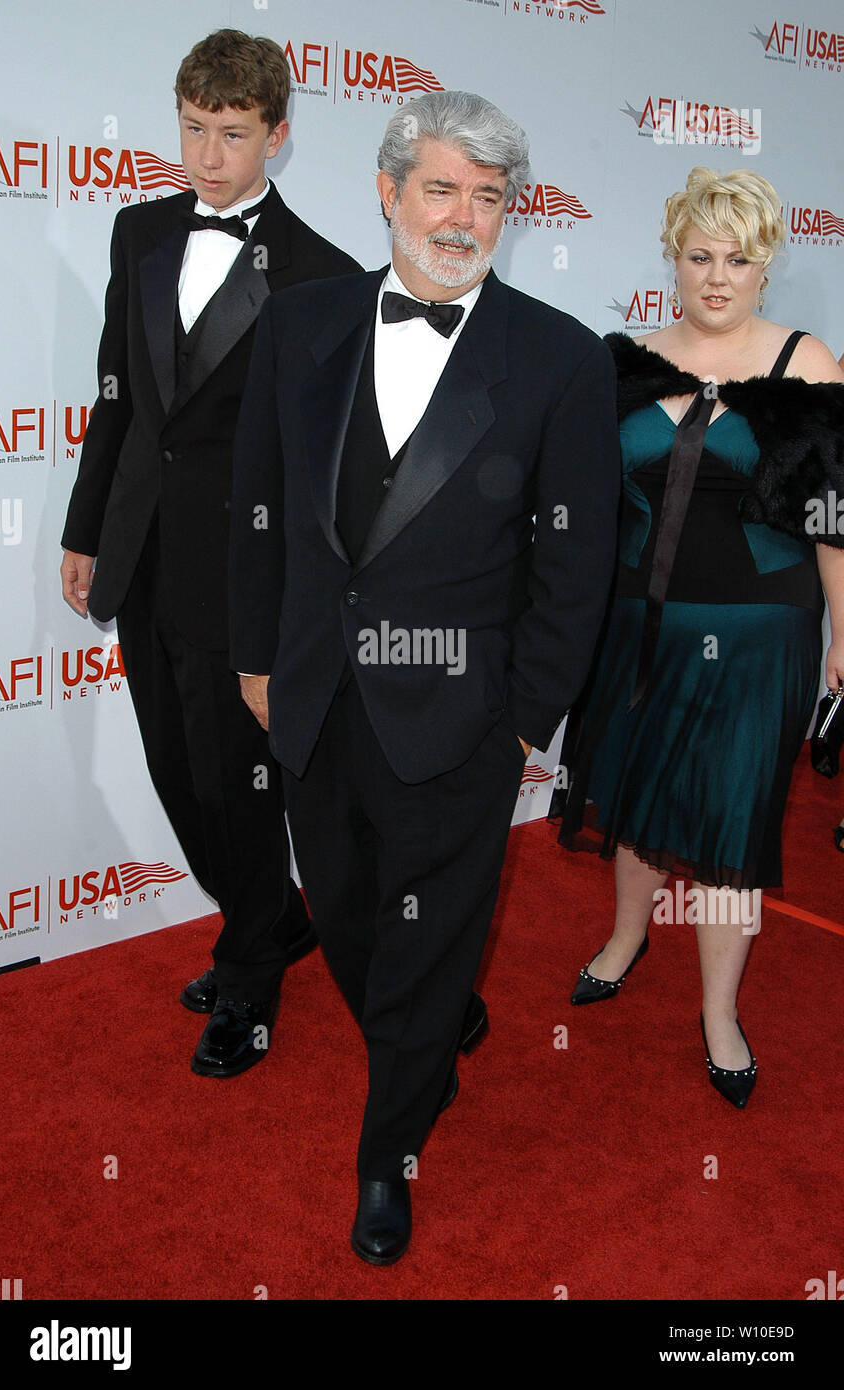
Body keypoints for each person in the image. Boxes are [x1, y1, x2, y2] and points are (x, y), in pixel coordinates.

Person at [229, 90, 620, 1264]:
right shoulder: (299, 323)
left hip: (461, 714)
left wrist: (520, 724)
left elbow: (576, 562)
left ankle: (388, 1151)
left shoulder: (557, 356)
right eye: (440, 188)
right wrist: (255, 655)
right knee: (347, 913)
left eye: (487, 197)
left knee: (435, 935)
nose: (461, 218)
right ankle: (429, 1023)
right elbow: (255, 509)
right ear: (389, 190)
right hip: (313, 693)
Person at [59, 30, 361, 1077]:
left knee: (237, 786)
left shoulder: (321, 272)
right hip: (141, 550)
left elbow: (319, 462)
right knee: (179, 776)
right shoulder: (137, 230)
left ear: (278, 134)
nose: (208, 156)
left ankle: (250, 979)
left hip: (244, 574)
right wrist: (84, 526)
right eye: (192, 130)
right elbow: (118, 397)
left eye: (233, 135)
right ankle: (271, 916)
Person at [554, 167, 844, 1107]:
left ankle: (720, 1009)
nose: (718, 277)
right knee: (635, 789)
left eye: (741, 259)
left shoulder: (807, 364)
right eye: (700, 256)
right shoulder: (625, 359)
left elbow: (833, 516)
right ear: (672, 258)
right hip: (633, 624)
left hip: (761, 632)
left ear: (768, 266)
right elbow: (587, 505)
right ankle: (627, 936)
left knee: (726, 817)